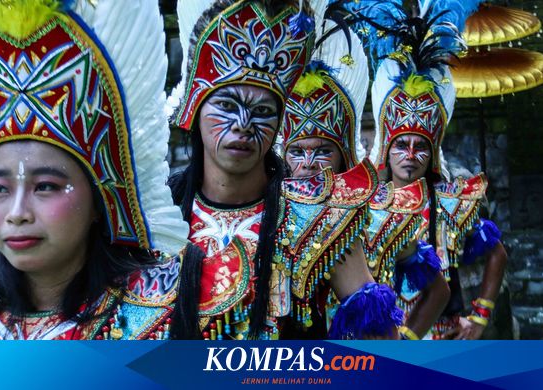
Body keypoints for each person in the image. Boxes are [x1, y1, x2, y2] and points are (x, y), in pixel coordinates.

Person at [0, 0, 215, 340]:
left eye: (46, 186)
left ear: (99, 200)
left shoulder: (165, 327)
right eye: (0, 188)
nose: (17, 214)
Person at [167, 0, 403, 340]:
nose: (243, 125)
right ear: (195, 109)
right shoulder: (157, 216)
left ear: (279, 123)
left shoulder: (319, 219)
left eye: (262, 110)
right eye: (227, 106)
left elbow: (383, 347)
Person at [280, 23, 450, 339]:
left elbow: (438, 291)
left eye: (321, 151)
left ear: (343, 153)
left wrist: (408, 342)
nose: (307, 165)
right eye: (297, 151)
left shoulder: (387, 214)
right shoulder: (270, 216)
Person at [361, 0, 509, 340]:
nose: (410, 155)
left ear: (433, 151)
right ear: (386, 147)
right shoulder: (366, 202)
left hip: (442, 335)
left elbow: (496, 253)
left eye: (421, 146)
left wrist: (481, 315)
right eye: (401, 145)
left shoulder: (450, 201)